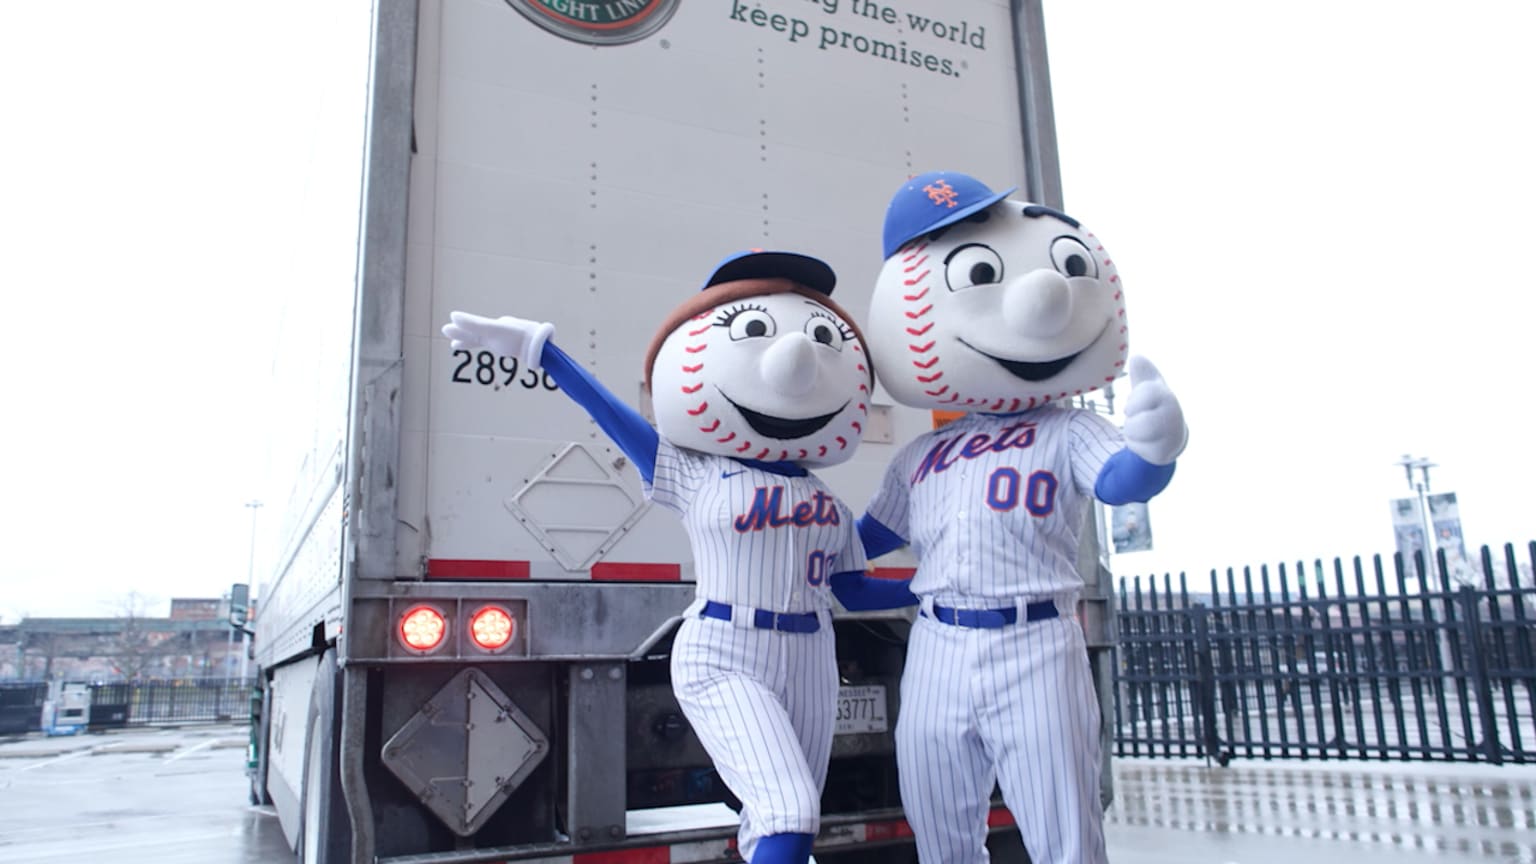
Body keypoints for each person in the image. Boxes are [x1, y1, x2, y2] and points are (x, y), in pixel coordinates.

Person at [443, 250, 909, 864]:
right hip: (725, 648)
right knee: (788, 810)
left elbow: (853, 588)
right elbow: (610, 416)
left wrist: (937, 588)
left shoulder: (822, 496)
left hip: (812, 655)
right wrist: (543, 351)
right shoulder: (693, 473)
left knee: (784, 815)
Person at [854, 172, 1189, 864]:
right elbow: (857, 559)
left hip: (1035, 642)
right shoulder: (921, 456)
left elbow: (1125, 483)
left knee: (1064, 838)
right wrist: (813, 548)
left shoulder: (1065, 429)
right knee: (942, 839)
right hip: (938, 646)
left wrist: (1157, 451)